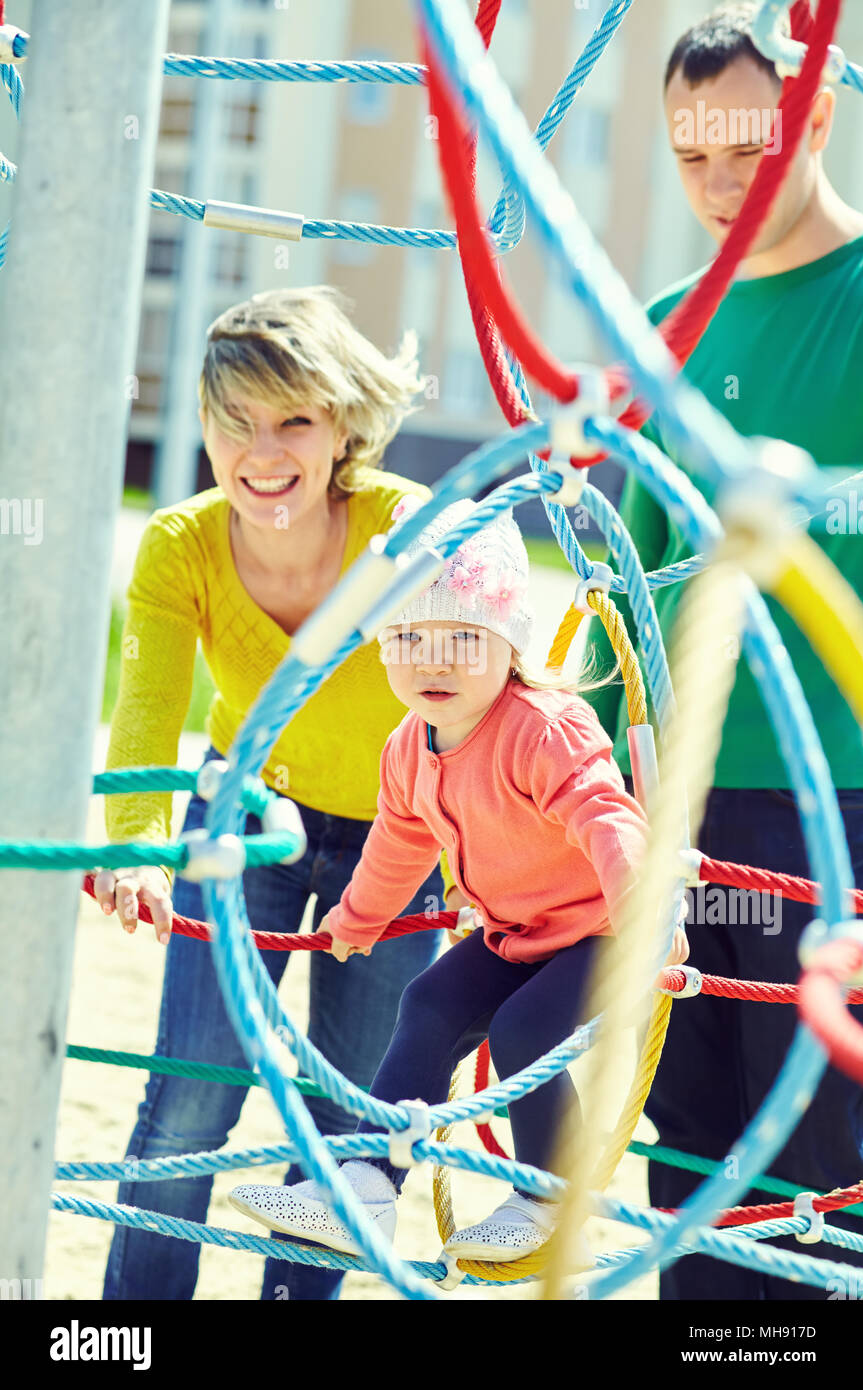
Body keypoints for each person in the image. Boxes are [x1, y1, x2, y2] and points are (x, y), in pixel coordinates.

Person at [582, 3, 863, 1300]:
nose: (715, 186)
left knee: (820, 1146)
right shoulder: (663, 326)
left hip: (839, 810)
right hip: (683, 808)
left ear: (813, 118)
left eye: (745, 150)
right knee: (688, 1141)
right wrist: (586, 789)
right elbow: (621, 599)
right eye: (689, 158)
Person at [96, 286, 445, 1301]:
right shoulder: (180, 544)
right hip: (244, 827)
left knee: (345, 1117)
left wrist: (476, 862)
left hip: (396, 841)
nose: (263, 450)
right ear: (203, 424)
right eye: (235, 421)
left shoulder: (402, 527)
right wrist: (132, 841)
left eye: (293, 418)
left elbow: (467, 701)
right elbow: (148, 710)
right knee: (191, 1103)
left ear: (341, 427)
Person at [226, 497, 688, 1261]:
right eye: (407, 636)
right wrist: (357, 918)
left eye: (464, 638)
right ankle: (368, 1187)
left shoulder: (543, 726)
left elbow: (609, 818)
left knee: (522, 1029)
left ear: (508, 647)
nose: (433, 660)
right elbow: (400, 843)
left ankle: (550, 1196)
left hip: (604, 931)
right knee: (429, 1000)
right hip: (516, 934)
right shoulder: (408, 747)